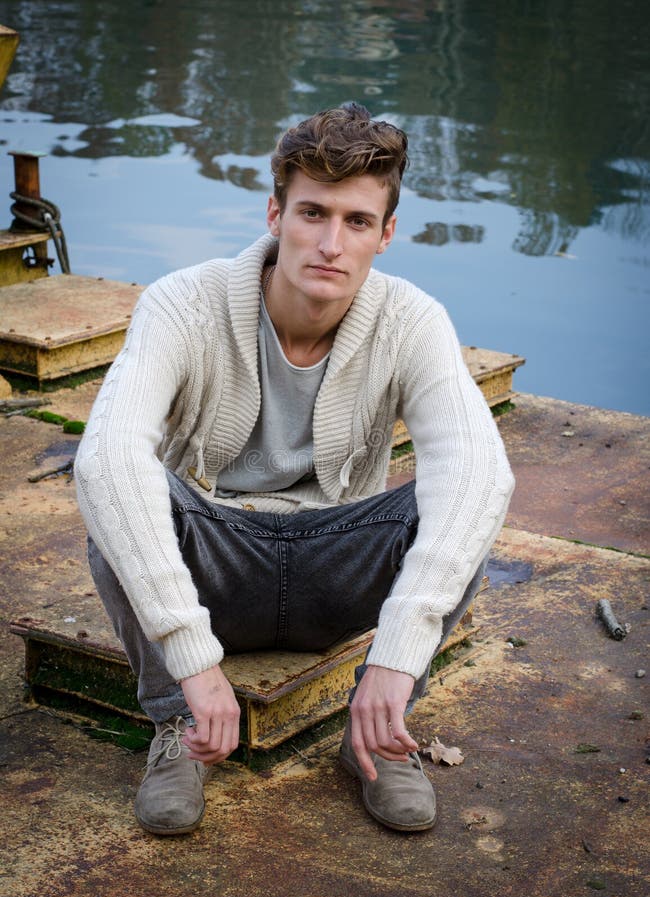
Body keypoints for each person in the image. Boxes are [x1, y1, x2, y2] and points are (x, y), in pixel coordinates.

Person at [75, 102, 514, 836]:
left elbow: (478, 469)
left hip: (340, 568)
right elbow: (107, 456)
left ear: (387, 234)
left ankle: (376, 735)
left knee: (464, 499)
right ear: (276, 213)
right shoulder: (184, 302)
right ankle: (179, 728)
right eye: (313, 213)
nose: (331, 243)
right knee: (121, 491)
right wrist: (191, 656)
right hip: (217, 564)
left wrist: (397, 655)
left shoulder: (413, 320)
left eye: (357, 222)